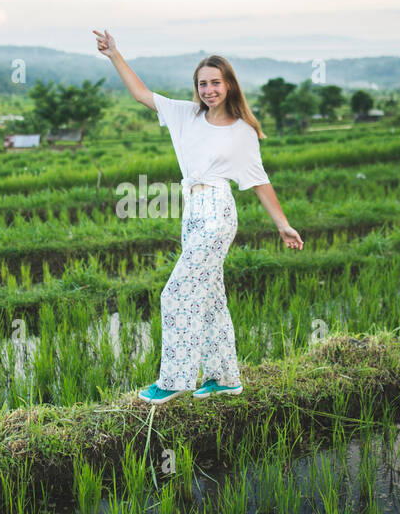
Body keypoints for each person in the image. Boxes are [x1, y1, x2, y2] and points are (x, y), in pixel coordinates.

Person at [93, 29, 303, 404]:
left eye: (215, 83)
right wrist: (114, 54)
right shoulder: (185, 115)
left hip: (218, 211)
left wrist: (282, 224)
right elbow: (141, 93)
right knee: (210, 298)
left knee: (176, 294)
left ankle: (174, 380)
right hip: (192, 210)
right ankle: (225, 378)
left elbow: (259, 181)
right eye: (202, 83)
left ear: (229, 85)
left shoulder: (242, 131)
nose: (208, 90)